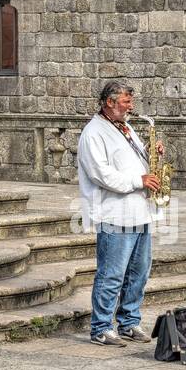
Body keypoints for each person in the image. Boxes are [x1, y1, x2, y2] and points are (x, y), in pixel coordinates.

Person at [76, 80, 163, 347]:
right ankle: (101, 327)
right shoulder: (93, 133)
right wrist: (140, 180)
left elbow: (130, 161)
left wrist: (152, 153)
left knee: (139, 273)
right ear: (110, 103)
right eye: (126, 102)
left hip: (140, 211)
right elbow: (101, 174)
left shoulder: (125, 127)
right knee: (111, 274)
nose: (130, 107)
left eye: (130, 101)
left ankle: (129, 322)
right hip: (115, 213)